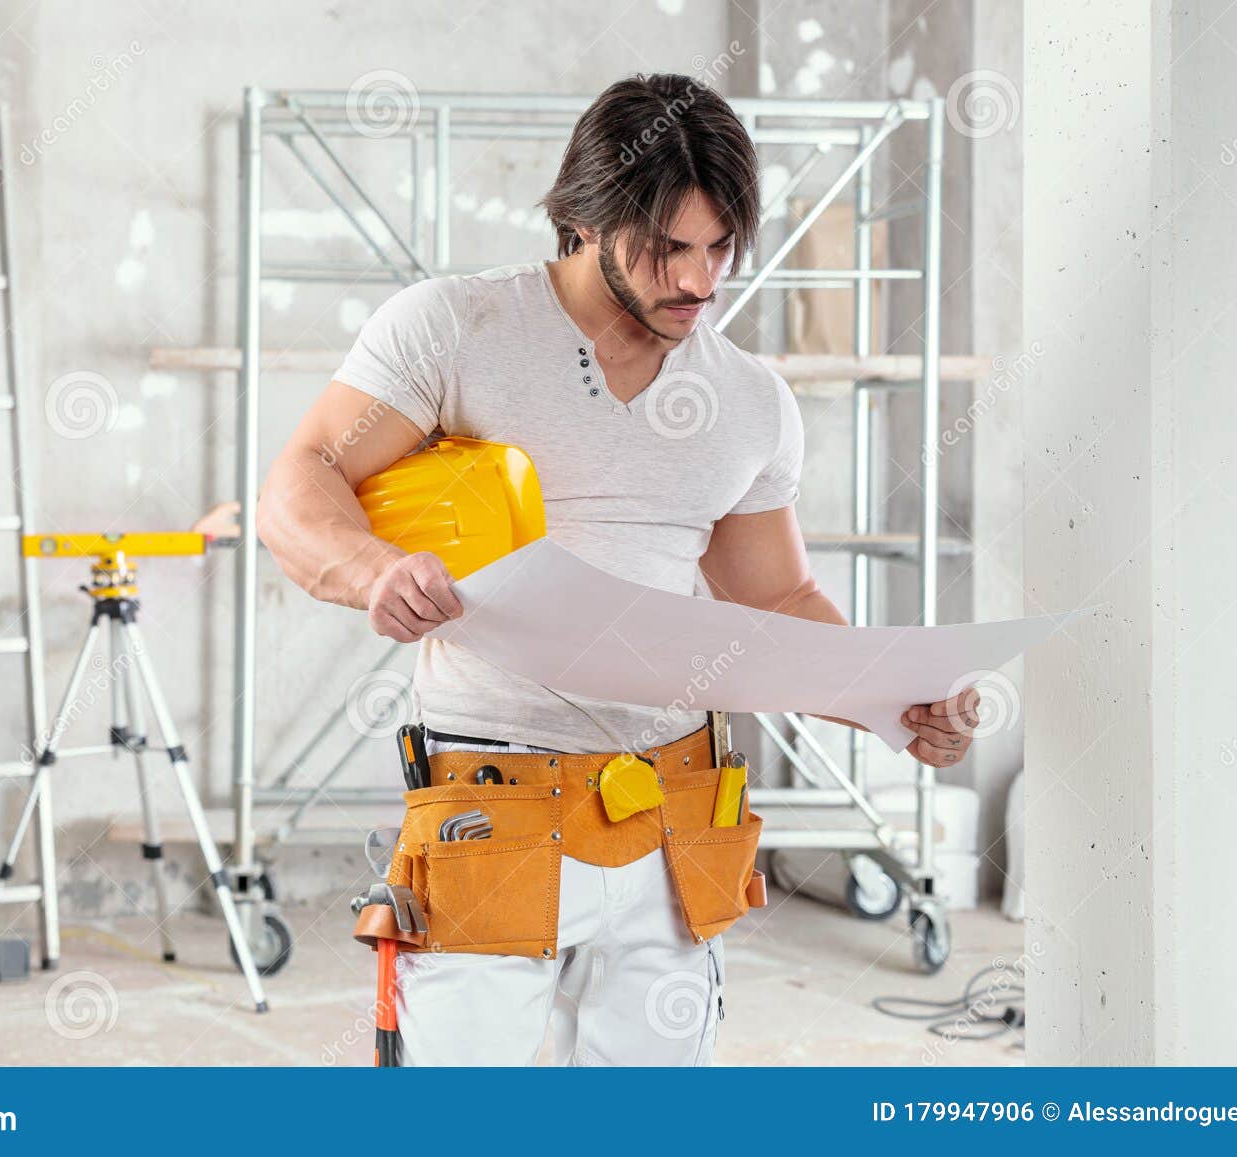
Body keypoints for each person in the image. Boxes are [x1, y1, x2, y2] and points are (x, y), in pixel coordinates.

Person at [257, 72, 980, 1066]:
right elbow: (301, 481)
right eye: (666, 248)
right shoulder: (454, 330)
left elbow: (774, 598)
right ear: (588, 222)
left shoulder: (749, 399)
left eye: (719, 246)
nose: (698, 281)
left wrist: (899, 703)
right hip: (489, 811)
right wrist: (371, 567)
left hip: (673, 825)